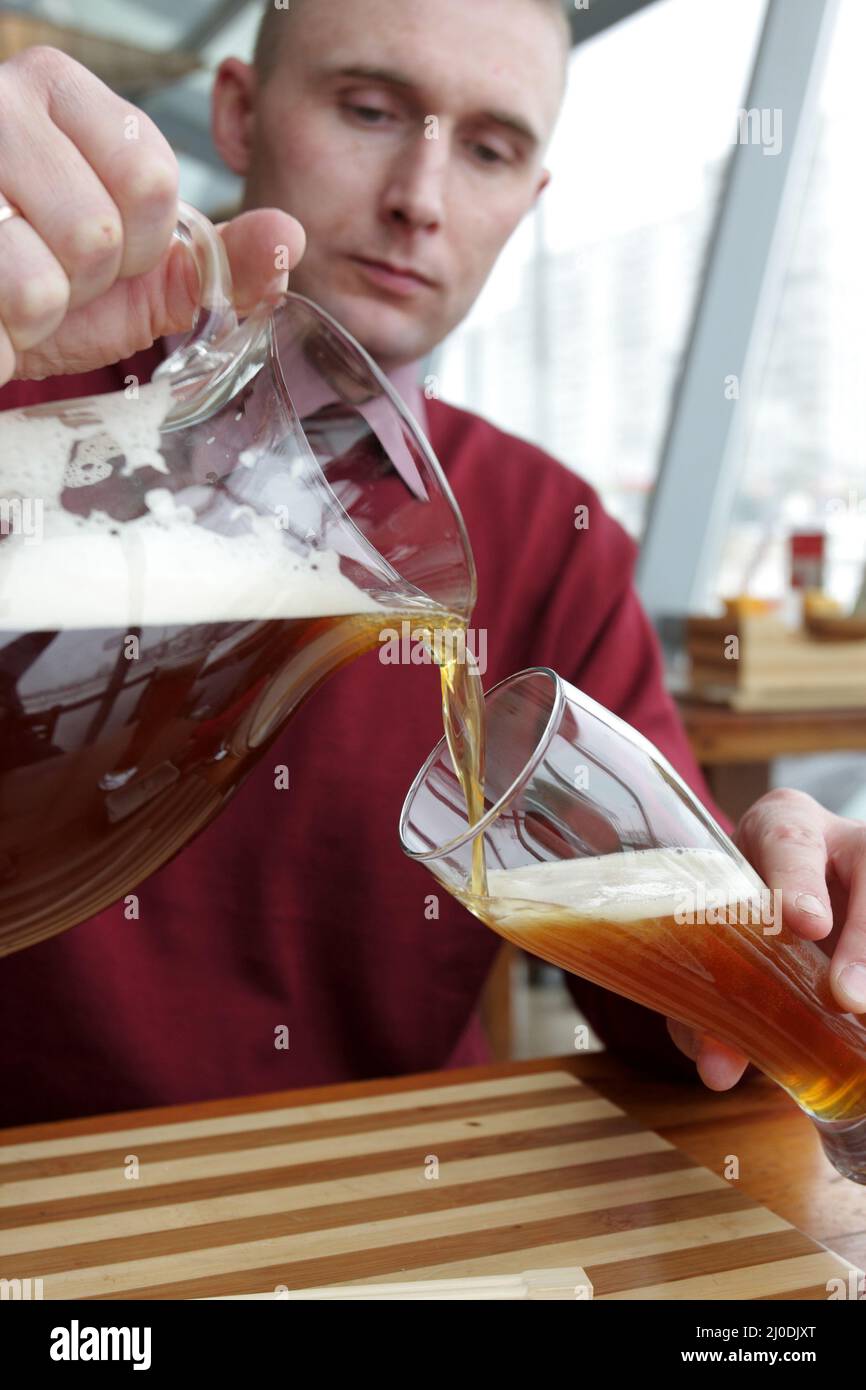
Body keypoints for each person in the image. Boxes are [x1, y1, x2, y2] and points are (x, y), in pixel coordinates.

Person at [0, 0, 863, 1128]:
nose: (420, 197)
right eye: (368, 108)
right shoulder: (24, 398)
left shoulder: (552, 524)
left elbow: (662, 1017)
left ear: (531, 197)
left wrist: (793, 899)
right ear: (237, 114)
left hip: (424, 1212)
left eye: (491, 148)